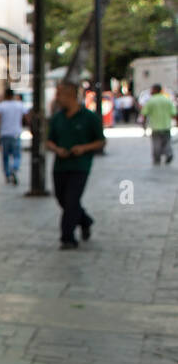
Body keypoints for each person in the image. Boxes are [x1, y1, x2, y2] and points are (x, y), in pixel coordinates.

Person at [46, 80, 107, 249]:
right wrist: (57, 149)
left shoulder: (89, 117)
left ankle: (67, 237)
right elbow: (49, 141)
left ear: (70, 95)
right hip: (60, 166)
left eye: (60, 94)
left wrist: (84, 148)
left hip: (80, 166)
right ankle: (85, 221)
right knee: (62, 199)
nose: (57, 98)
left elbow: (101, 142)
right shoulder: (58, 118)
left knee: (72, 200)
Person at [0, 87, 27, 185]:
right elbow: (26, 117)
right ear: (13, 96)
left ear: (5, 95)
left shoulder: (1, 106)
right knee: (17, 155)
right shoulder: (19, 105)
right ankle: (14, 168)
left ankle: (7, 175)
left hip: (5, 134)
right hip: (16, 133)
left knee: (5, 157)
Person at [140, 83, 174, 165]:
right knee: (167, 142)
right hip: (166, 126)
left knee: (156, 144)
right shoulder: (167, 100)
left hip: (155, 127)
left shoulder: (151, 101)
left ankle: (157, 158)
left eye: (152, 90)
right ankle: (168, 154)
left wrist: (143, 125)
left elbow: (144, 114)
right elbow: (174, 113)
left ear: (155, 90)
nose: (150, 91)